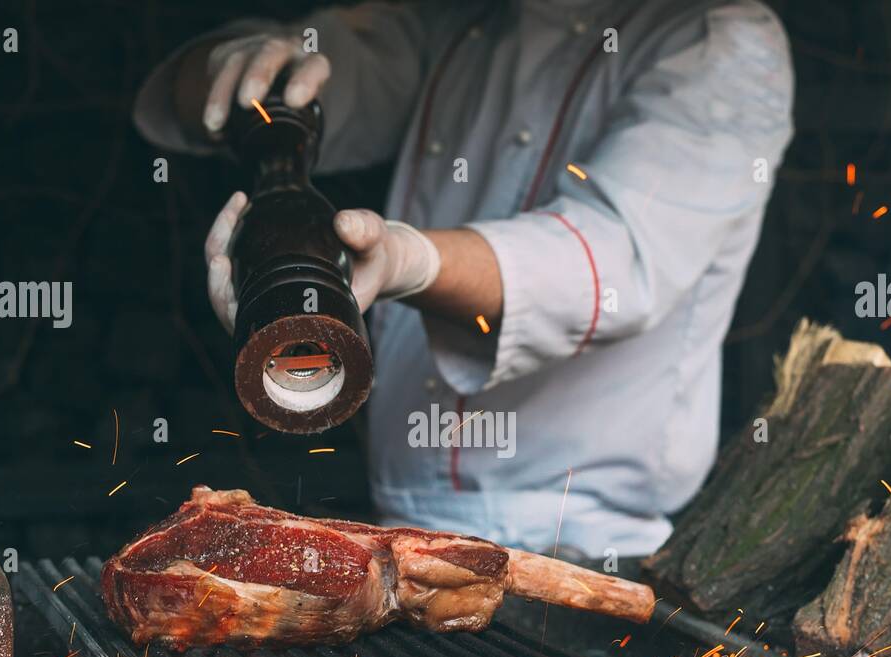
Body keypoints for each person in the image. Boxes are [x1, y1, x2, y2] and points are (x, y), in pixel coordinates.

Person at [133, 0, 793, 567]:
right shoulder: (460, 24)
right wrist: (233, 65)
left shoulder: (720, 39)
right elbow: (297, 83)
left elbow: (610, 260)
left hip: (586, 548)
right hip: (395, 536)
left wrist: (409, 262)